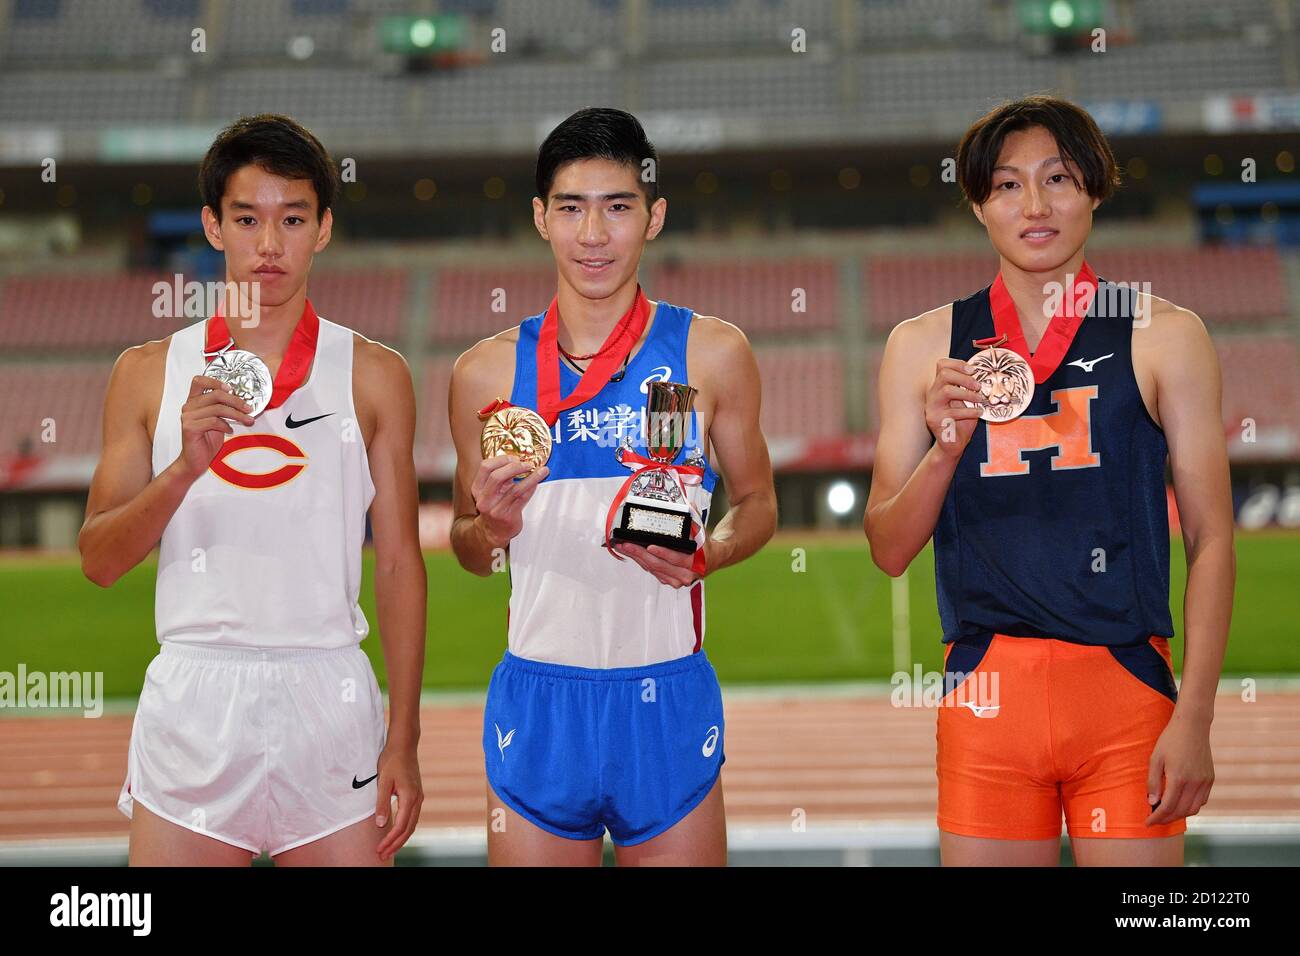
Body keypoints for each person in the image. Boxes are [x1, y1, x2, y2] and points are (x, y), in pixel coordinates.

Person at [865, 94, 1233, 866]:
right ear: (977, 204)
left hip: (1127, 689)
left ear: (1095, 189)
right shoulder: (922, 346)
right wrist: (944, 446)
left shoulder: (1165, 334)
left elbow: (1211, 535)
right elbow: (890, 549)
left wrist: (1194, 713)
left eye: (1058, 178)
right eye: (1006, 185)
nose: (1034, 204)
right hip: (987, 690)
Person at [79, 114, 426, 866]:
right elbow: (101, 560)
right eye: (247, 219)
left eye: (292, 219)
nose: (269, 245)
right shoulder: (146, 373)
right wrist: (181, 470)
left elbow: (398, 561)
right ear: (212, 226)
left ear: (323, 228)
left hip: (329, 695)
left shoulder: (375, 374)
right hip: (197, 698)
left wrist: (404, 736)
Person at [447, 107, 777, 866]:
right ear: (540, 218)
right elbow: (468, 547)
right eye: (571, 208)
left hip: (665, 696)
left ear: (654, 217)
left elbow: (758, 504)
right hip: (540, 702)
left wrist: (713, 554)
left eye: (617, 207)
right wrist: (490, 529)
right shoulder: (485, 373)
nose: (593, 235)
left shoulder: (712, 353)